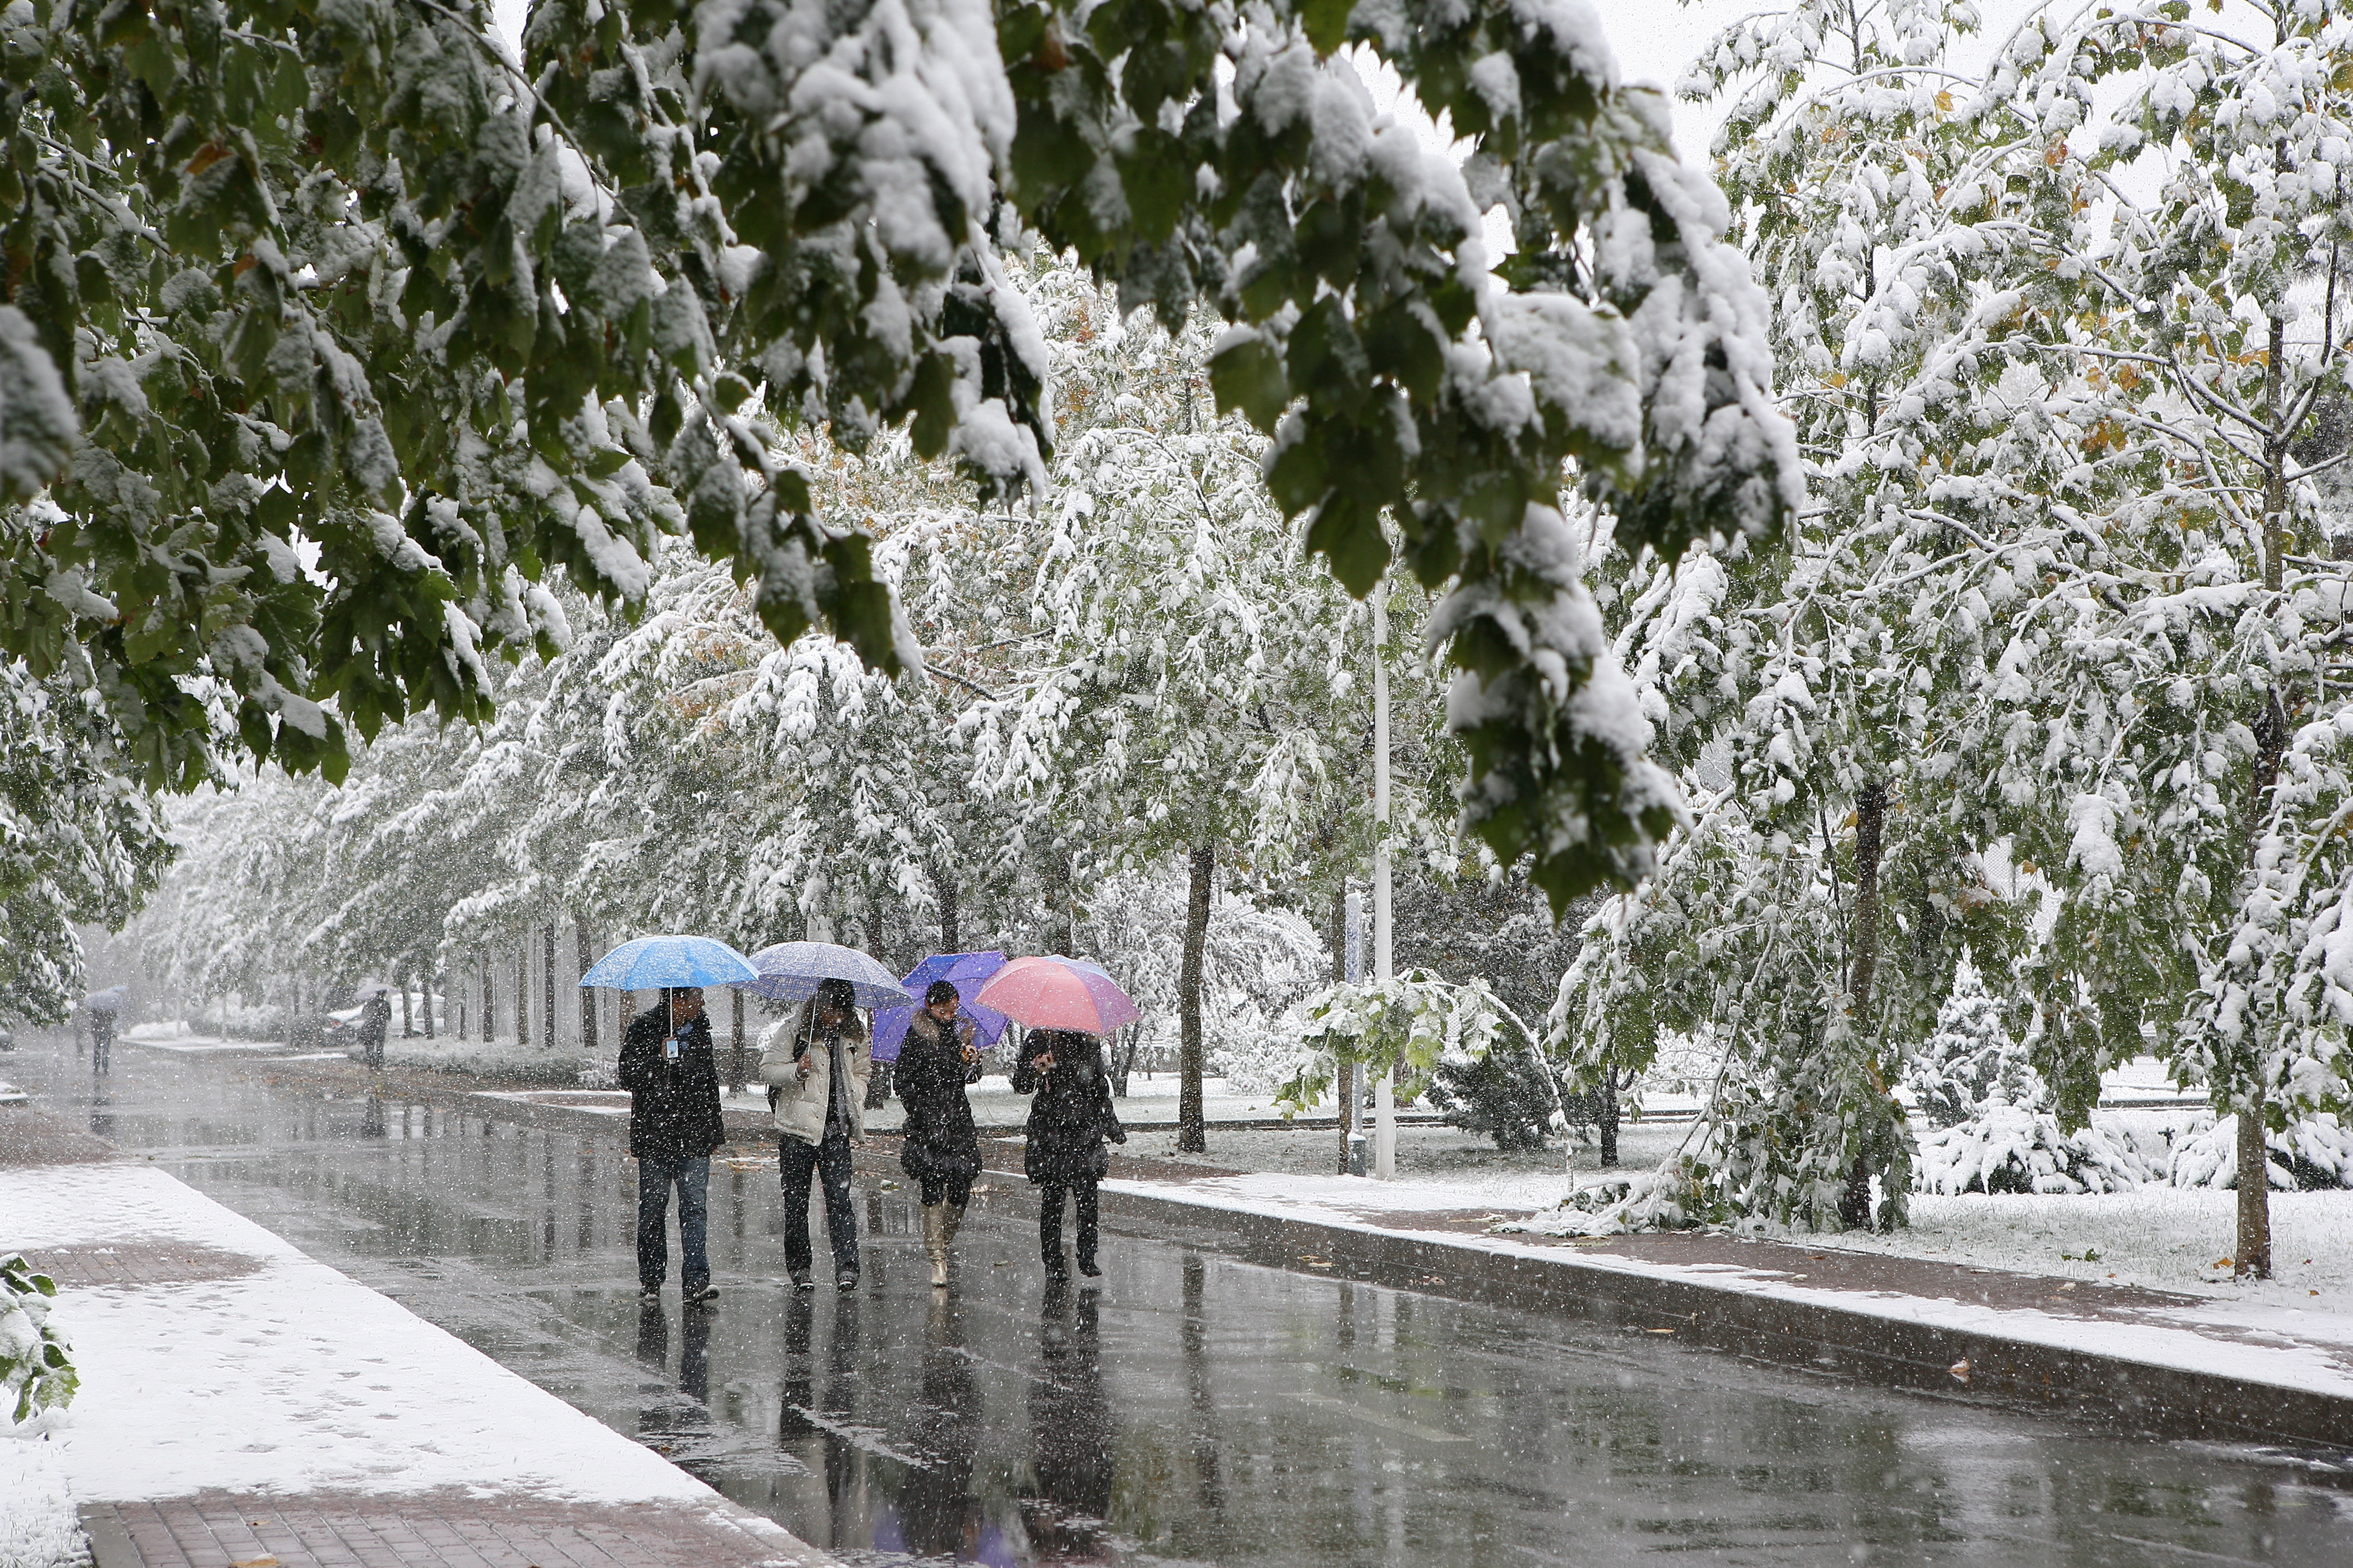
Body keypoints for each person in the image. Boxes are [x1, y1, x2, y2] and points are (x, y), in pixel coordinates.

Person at [759, 977, 871, 1290]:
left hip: (836, 1130)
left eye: (843, 1011)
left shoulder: (855, 1036)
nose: (836, 1017)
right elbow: (767, 1070)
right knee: (796, 1202)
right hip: (798, 1130)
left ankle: (847, 1269)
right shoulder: (796, 1031)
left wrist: (856, 1094)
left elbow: (862, 1072)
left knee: (840, 1200)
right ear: (820, 1005)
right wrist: (796, 1070)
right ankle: (800, 1270)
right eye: (832, 1009)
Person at [619, 986, 725, 1305]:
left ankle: (696, 1281)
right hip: (655, 1136)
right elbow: (627, 1075)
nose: (702, 1003)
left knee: (695, 1210)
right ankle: (651, 1281)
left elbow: (708, 1083)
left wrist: (713, 1133)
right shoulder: (643, 1027)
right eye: (697, 998)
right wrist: (657, 1058)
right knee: (653, 1210)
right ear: (677, 1000)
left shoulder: (702, 1031)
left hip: (694, 1136)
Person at [1013, 1028, 1126, 1279]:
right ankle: (1053, 1260)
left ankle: (1087, 1256)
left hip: (1084, 1133)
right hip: (1051, 1134)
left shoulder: (1087, 1039)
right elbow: (1020, 1084)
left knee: (1088, 1200)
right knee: (1053, 1201)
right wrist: (1037, 1070)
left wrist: (1111, 1126)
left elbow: (1098, 1088)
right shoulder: (1039, 1038)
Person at [897, 981, 985, 1287]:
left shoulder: (957, 1036)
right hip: (928, 1124)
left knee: (961, 1188)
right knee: (932, 1186)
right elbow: (903, 1081)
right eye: (944, 1010)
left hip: (958, 1122)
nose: (949, 1015)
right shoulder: (917, 1037)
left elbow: (966, 1079)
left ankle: (943, 1243)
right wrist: (920, 1109)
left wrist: (971, 1060)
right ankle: (937, 1258)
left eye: (953, 1010)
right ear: (931, 1007)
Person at [357, 988, 392, 1072]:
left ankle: (371, 1063)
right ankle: (379, 1064)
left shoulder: (370, 1003)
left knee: (370, 1046)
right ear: (384, 994)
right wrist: (382, 1018)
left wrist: (371, 1018)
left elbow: (364, 1014)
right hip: (381, 1028)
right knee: (380, 1047)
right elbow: (389, 1017)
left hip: (370, 1028)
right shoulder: (386, 1004)